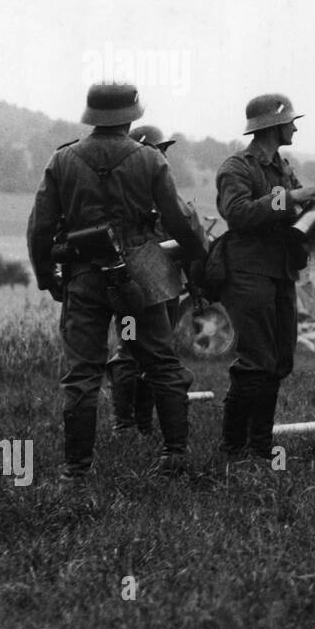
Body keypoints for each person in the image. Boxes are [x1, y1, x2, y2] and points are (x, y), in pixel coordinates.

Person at [27, 83, 207, 481]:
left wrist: (48, 279)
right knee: (162, 364)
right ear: (131, 116)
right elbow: (178, 219)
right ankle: (175, 455)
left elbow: (39, 228)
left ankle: (76, 470)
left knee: (82, 374)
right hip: (142, 275)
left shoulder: (62, 160)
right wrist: (197, 258)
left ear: (91, 116)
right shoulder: (149, 159)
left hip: (84, 275)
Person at [216, 94, 315, 463]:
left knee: (279, 360)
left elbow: (296, 212)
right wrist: (290, 196)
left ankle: (260, 449)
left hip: (280, 271)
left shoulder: (281, 167)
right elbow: (238, 215)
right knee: (255, 361)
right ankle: (233, 450)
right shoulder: (237, 167)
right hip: (248, 274)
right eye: (290, 121)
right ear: (272, 126)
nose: (295, 126)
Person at [107, 124, 206, 436]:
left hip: (166, 286)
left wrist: (195, 283)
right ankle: (125, 425)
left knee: (159, 354)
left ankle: (144, 425)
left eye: (164, 151)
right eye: (158, 149)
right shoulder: (126, 193)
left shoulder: (166, 190)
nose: (164, 155)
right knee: (128, 350)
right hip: (133, 288)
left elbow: (189, 239)